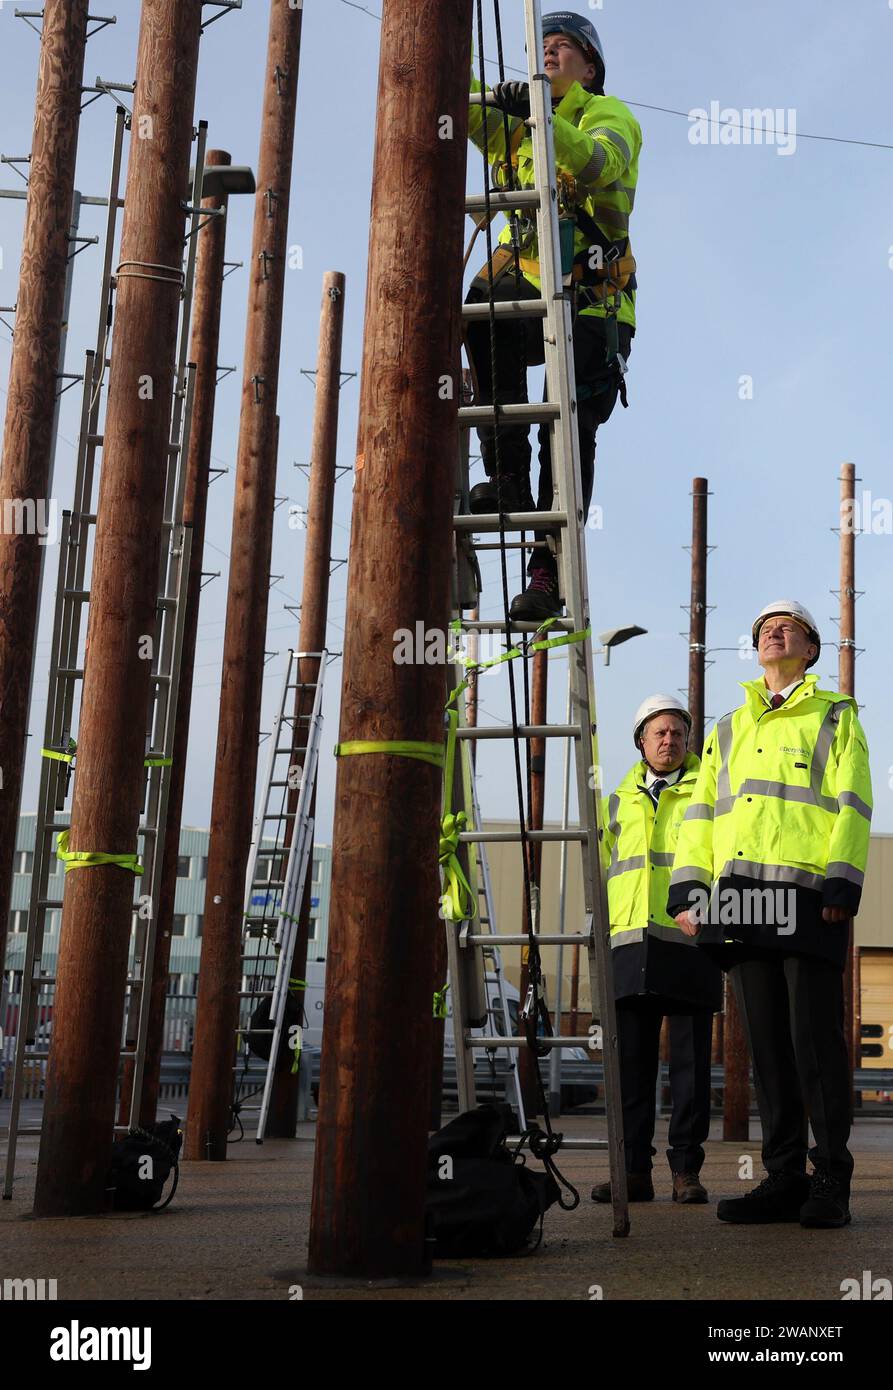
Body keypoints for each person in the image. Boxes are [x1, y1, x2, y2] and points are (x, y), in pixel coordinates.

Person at [667, 601, 872, 1228]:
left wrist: (842, 880)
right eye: (762, 628)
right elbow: (701, 811)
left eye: (787, 627)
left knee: (814, 1043)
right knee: (765, 1048)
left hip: (808, 897)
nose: (772, 632)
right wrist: (686, 890)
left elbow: (854, 798)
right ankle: (783, 1177)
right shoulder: (729, 726)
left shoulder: (835, 714)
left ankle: (830, 1177)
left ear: (810, 649)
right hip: (738, 899)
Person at [466, 12, 641, 621]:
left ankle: (548, 571)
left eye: (564, 47)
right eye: (544, 45)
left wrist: (538, 116)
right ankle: (506, 476)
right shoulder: (514, 122)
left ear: (589, 66)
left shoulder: (609, 114)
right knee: (481, 313)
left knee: (564, 430)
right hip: (536, 286)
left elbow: (600, 164)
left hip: (596, 303)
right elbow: (456, 99)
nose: (549, 52)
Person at [591, 696, 722, 1207]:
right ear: (641, 742)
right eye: (659, 733)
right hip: (629, 944)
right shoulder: (618, 800)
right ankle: (633, 1174)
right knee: (632, 1068)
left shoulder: (707, 789)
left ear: (689, 741)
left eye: (677, 733)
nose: (669, 740)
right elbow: (602, 872)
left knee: (690, 1070)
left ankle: (685, 1172)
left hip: (691, 941)